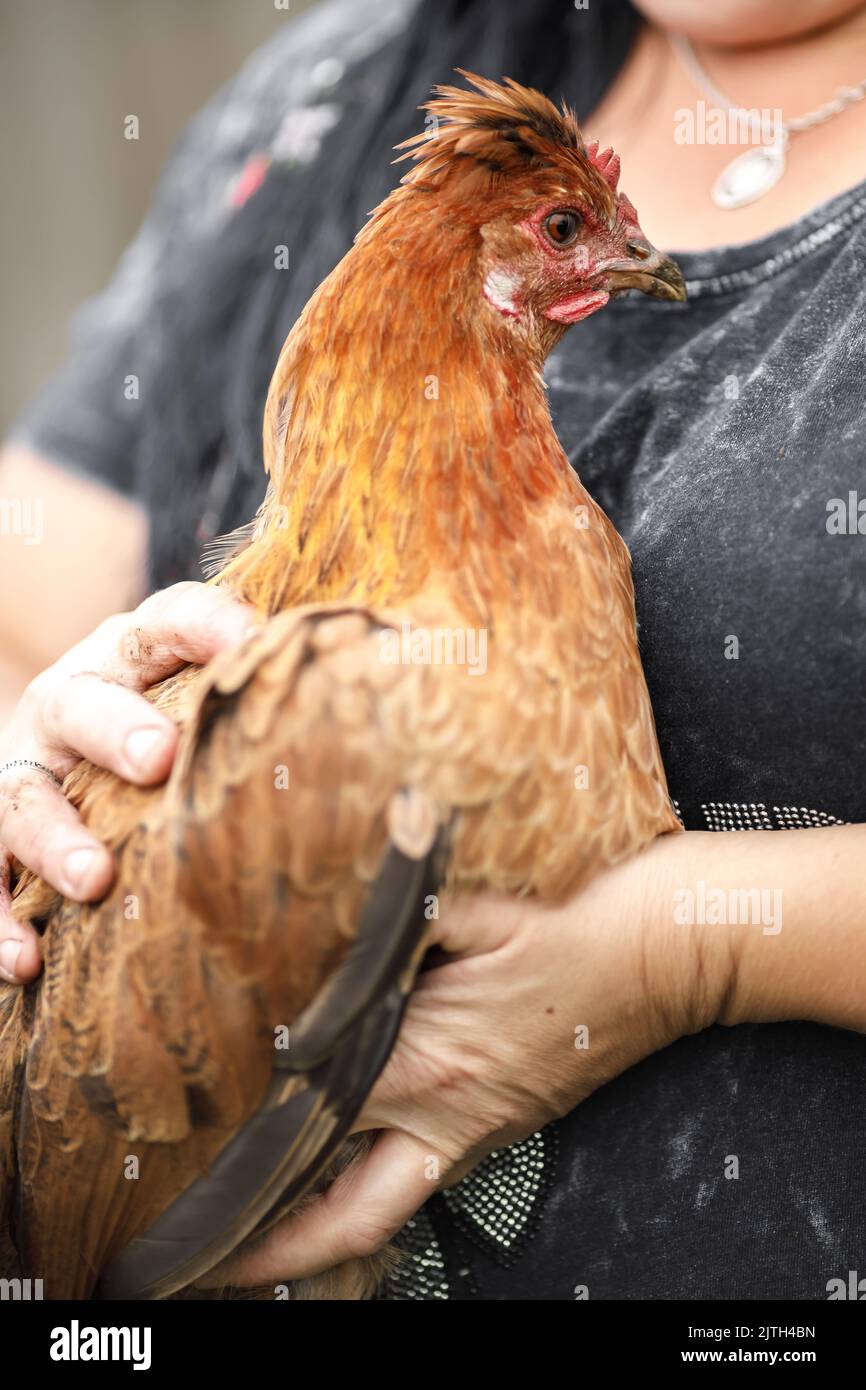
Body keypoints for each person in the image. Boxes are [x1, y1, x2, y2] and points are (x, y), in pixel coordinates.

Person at [2, 0, 866, 1299]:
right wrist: (44, 763)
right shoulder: (334, 85)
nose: (632, 248)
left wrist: (696, 945)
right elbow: (22, 605)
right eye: (570, 228)